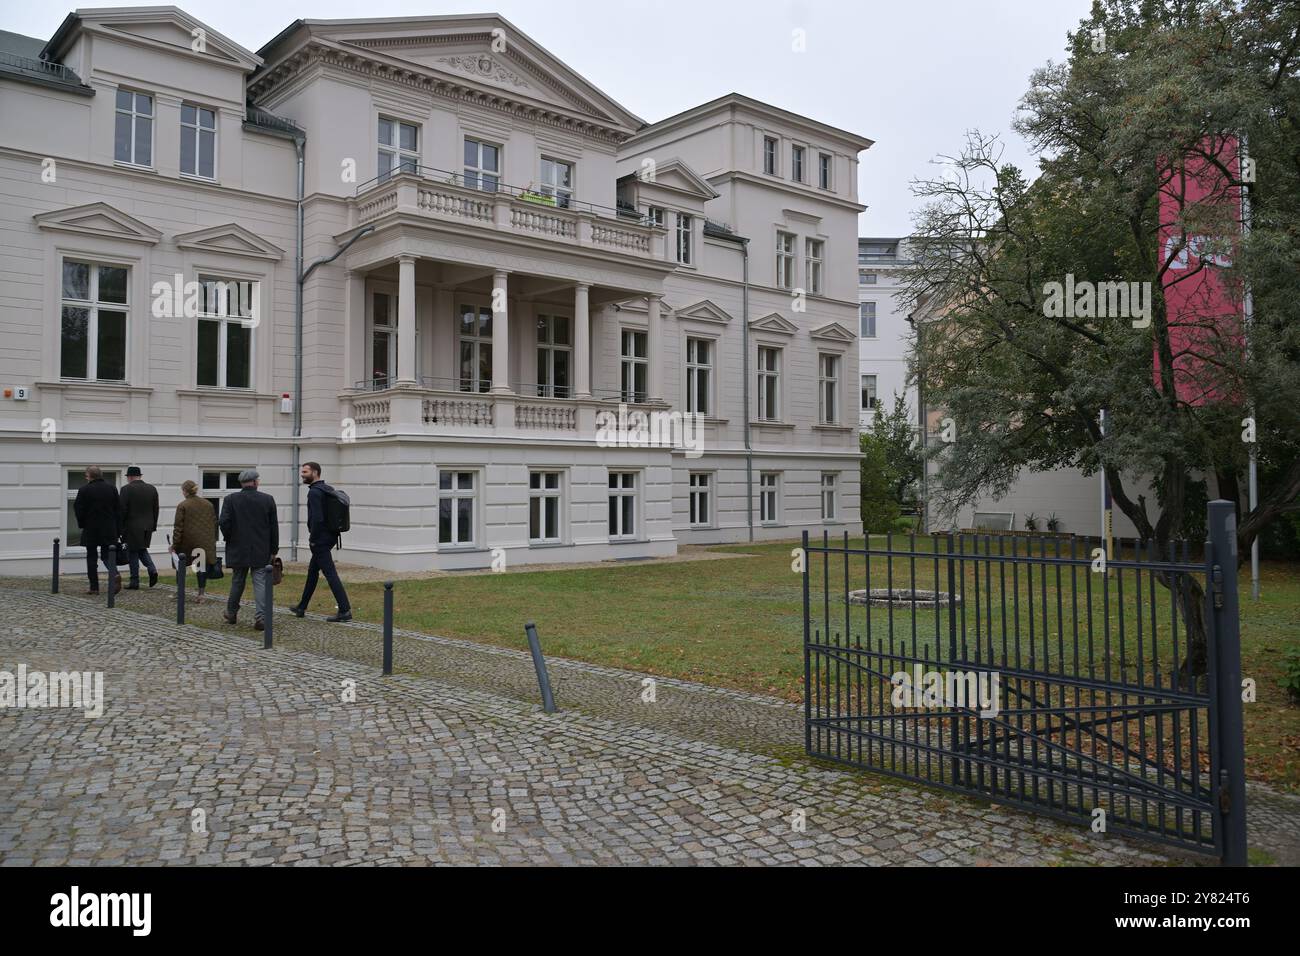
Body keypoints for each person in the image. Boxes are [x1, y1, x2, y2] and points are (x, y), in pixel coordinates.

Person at [289, 461, 352, 622]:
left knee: (330, 574)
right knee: (312, 572)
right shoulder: (327, 489)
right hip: (331, 536)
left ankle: (345, 610)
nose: (302, 474)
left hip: (320, 540)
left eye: (305, 472)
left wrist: (313, 540)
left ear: (315, 473)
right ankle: (302, 607)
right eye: (302, 472)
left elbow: (317, 519)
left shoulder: (315, 493)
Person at [218, 469, 278, 631]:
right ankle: (261, 617)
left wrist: (230, 538)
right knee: (260, 582)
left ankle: (231, 613)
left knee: (237, 581)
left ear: (242, 483)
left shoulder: (230, 499)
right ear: (255, 482)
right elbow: (274, 528)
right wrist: (274, 549)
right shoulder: (267, 499)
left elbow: (223, 522)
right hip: (261, 548)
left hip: (238, 547)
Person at [73, 465, 121, 595]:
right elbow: (118, 510)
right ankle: (115, 574)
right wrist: (117, 528)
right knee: (107, 555)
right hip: (109, 528)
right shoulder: (112, 488)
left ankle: (94, 587)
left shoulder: (84, 490)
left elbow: (78, 509)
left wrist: (82, 524)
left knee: (91, 558)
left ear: (89, 476)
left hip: (91, 528)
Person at [171, 479, 218, 603]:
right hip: (203, 542)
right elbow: (214, 523)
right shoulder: (208, 504)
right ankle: (201, 594)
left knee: (180, 566)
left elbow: (178, 527)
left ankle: (180, 592)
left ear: (185, 491)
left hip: (186, 542)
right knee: (201, 567)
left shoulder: (183, 505)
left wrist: (174, 544)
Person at [119, 465, 160, 589]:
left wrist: (119, 528)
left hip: (131, 526)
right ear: (140, 476)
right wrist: (153, 525)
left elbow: (122, 510)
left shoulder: (126, 489)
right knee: (141, 549)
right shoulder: (152, 489)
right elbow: (156, 509)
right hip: (148, 526)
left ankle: (134, 581)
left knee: (132, 553)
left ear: (130, 477)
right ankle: (152, 570)